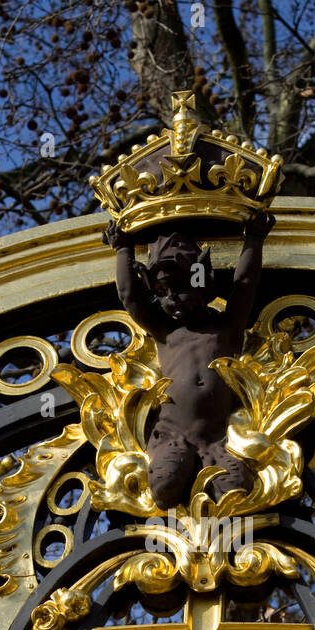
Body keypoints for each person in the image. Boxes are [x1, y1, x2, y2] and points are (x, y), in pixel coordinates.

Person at [103, 211, 274, 508]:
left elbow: (244, 283)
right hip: (173, 436)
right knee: (165, 488)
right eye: (161, 292)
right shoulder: (167, 332)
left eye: (179, 286)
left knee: (236, 493)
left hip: (221, 438)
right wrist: (122, 249)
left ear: (203, 279)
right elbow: (130, 296)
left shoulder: (227, 327)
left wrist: (255, 239)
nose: (171, 299)